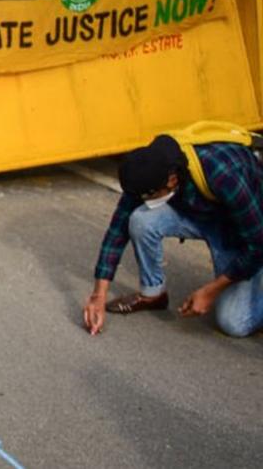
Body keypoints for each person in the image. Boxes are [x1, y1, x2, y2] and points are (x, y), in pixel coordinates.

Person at [82, 125, 263, 338]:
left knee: (234, 322)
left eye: (149, 196)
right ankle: (153, 294)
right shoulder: (151, 169)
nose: (144, 201)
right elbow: (117, 229)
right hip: (203, 214)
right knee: (140, 220)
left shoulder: (225, 176)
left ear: (172, 180)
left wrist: (211, 290)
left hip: (241, 229)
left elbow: (257, 245)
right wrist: (98, 294)